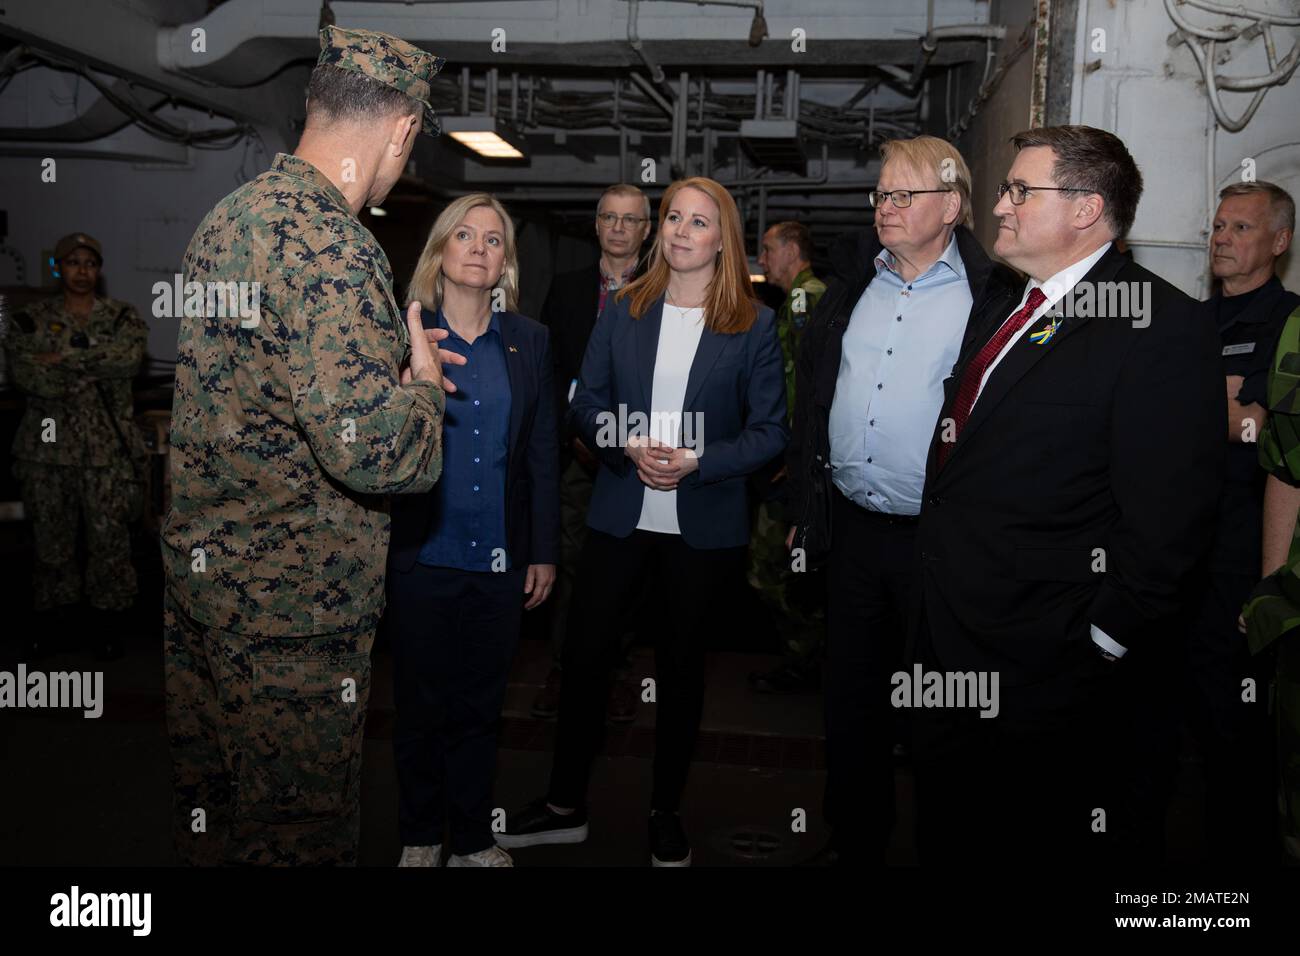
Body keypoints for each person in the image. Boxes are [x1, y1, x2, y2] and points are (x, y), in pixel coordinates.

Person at [161, 25, 458, 867]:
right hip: (294, 612)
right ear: (401, 131)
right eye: (412, 143)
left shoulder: (228, 218)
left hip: (208, 586)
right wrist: (424, 387)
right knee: (298, 836)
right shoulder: (334, 245)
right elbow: (374, 453)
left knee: (224, 816)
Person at [911, 125, 1224, 866]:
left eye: (1021, 190)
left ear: (1086, 208)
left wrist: (1102, 639)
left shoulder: (1160, 327)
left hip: (1052, 666)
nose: (999, 206)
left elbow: (1169, 521)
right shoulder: (1009, 304)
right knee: (950, 826)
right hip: (951, 630)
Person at [498, 176, 788, 866]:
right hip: (621, 513)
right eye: (674, 219)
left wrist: (698, 460)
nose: (682, 232)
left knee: (683, 673)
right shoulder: (625, 309)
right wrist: (623, 442)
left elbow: (771, 432)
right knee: (585, 659)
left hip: (701, 526)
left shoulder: (755, 322)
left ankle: (664, 811)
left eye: (699, 222)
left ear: (723, 238)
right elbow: (585, 403)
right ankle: (564, 804)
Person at [784, 135, 1018, 866]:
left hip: (940, 542)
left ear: (951, 205)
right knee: (850, 699)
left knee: (940, 710)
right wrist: (805, 506)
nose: (884, 206)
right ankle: (855, 837)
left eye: (902, 195)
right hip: (852, 530)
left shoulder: (996, 295)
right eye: (881, 193)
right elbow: (814, 402)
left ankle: (945, 846)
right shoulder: (854, 285)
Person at [386, 193, 559, 868]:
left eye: (494, 239)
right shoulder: (405, 334)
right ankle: (420, 834)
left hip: (499, 557)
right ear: (441, 252)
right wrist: (404, 381)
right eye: (465, 234)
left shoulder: (530, 340)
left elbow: (542, 450)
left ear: (505, 262)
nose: (480, 247)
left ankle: (472, 836)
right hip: (424, 553)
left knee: (481, 707)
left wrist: (543, 550)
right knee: (421, 706)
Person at [1179, 181, 1298, 862]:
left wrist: (1197, 408)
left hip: (1244, 549)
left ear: (1279, 242)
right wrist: (1219, 408)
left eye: (1242, 228)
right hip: (1181, 546)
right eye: (1219, 226)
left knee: (1239, 726)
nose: (1222, 238)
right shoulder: (1189, 321)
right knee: (1173, 715)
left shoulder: (1288, 323)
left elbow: (1260, 429)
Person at [532, 184, 652, 723]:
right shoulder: (567, 289)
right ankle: (565, 670)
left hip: (637, 455)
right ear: (597, 225)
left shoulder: (664, 293)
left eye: (631, 220)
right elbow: (549, 371)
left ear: (646, 230)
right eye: (610, 217)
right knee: (571, 560)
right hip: (575, 450)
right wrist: (573, 433)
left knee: (627, 565)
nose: (620, 228)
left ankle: (618, 674)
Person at [4, 232, 147, 661]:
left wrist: (60, 360)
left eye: (89, 263)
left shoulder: (122, 316)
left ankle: (107, 627)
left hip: (106, 452)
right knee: (52, 543)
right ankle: (54, 624)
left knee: (109, 543)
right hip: (46, 452)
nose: (81, 271)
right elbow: (28, 376)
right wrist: (92, 363)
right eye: (72, 263)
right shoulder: (30, 319)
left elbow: (128, 360)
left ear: (99, 269)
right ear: (58, 268)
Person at [748, 221, 828, 696]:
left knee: (773, 570)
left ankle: (809, 659)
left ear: (793, 250)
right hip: (789, 459)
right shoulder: (796, 299)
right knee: (775, 569)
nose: (762, 259)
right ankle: (807, 658)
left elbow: (812, 387)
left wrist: (795, 454)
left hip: (793, 464)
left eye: (768, 249)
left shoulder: (805, 299)